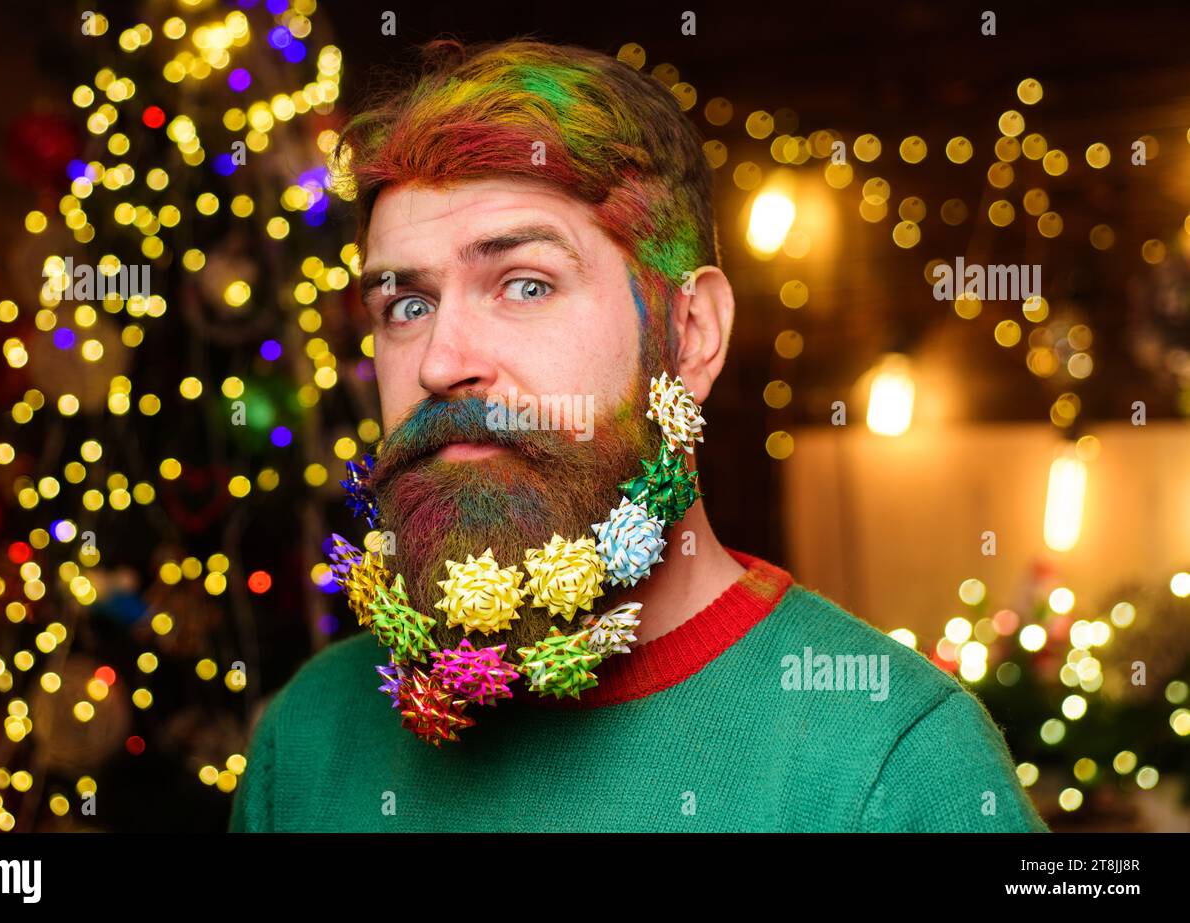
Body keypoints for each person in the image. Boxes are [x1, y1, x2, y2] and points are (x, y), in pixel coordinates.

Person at [229, 38, 1049, 833]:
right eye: (406, 304)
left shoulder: (895, 762)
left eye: (524, 283)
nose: (442, 362)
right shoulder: (305, 738)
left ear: (692, 332)